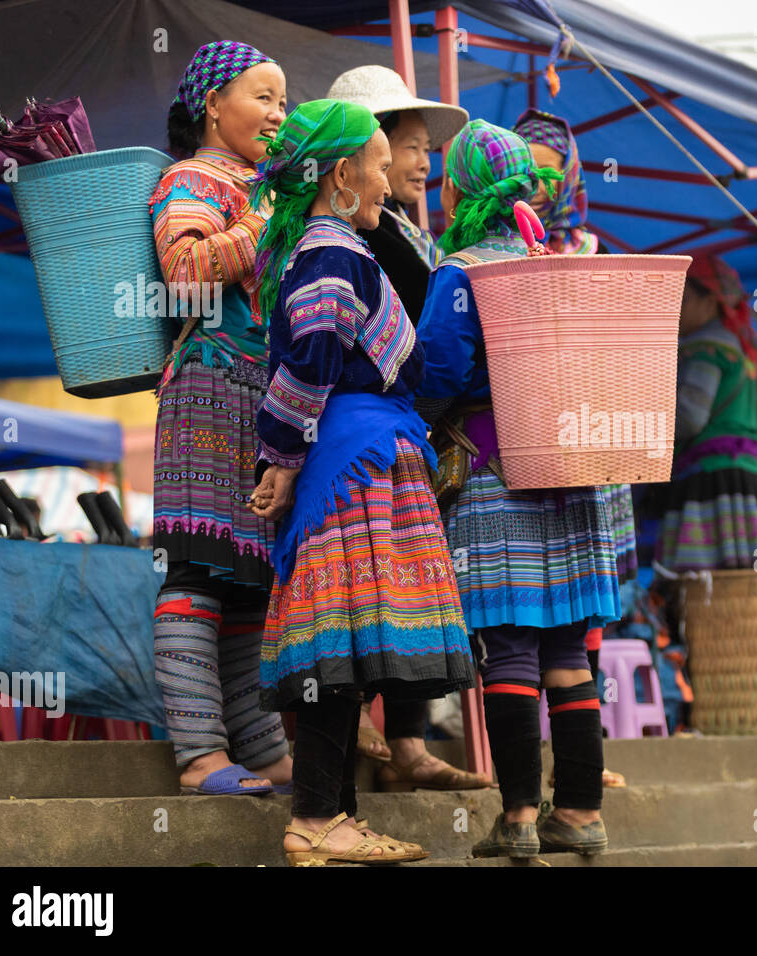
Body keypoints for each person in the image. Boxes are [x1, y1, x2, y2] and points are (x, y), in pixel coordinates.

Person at [250, 98, 476, 865]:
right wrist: (280, 462)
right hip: (355, 467)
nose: (391, 181)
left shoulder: (332, 249)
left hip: (359, 456)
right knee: (338, 648)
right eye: (381, 165)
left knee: (341, 648)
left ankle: (334, 817)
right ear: (343, 175)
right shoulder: (330, 256)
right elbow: (308, 363)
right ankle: (315, 819)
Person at [416, 119, 617, 858]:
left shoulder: (461, 270)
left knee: (507, 649)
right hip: (566, 474)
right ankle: (584, 814)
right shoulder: (553, 264)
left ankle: (522, 818)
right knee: (568, 650)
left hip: (494, 478)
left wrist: (411, 427)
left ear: (458, 186)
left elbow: (437, 371)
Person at [324, 65, 492, 793]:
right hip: (370, 431)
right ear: (368, 151)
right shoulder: (355, 239)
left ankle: (410, 740)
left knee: (418, 582)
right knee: (370, 579)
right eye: (411, 146)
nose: (423, 163)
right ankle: (364, 735)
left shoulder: (407, 234)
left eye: (426, 150)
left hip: (409, 433)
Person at [149, 41, 291, 796]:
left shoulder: (265, 186)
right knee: (198, 568)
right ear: (212, 104)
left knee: (248, 579)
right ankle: (199, 754)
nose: (278, 113)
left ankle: (261, 750)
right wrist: (266, 220)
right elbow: (185, 278)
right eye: (262, 96)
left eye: (282, 101)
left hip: (262, 397)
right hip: (208, 387)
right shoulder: (191, 179)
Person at [514, 106, 630, 790]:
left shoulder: (590, 252)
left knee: (587, 607)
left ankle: (579, 761)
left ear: (573, 178)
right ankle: (534, 770)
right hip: (526, 447)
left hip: (591, 446)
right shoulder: (499, 248)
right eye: (528, 169)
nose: (539, 183)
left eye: (552, 172)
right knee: (529, 611)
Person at [654, 255, 757, 573]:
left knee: (703, 587)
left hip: (713, 481)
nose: (676, 308)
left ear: (710, 302)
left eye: (683, 299)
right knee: (741, 583)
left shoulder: (706, 346)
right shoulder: (736, 347)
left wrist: (640, 428)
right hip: (743, 479)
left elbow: (689, 417)